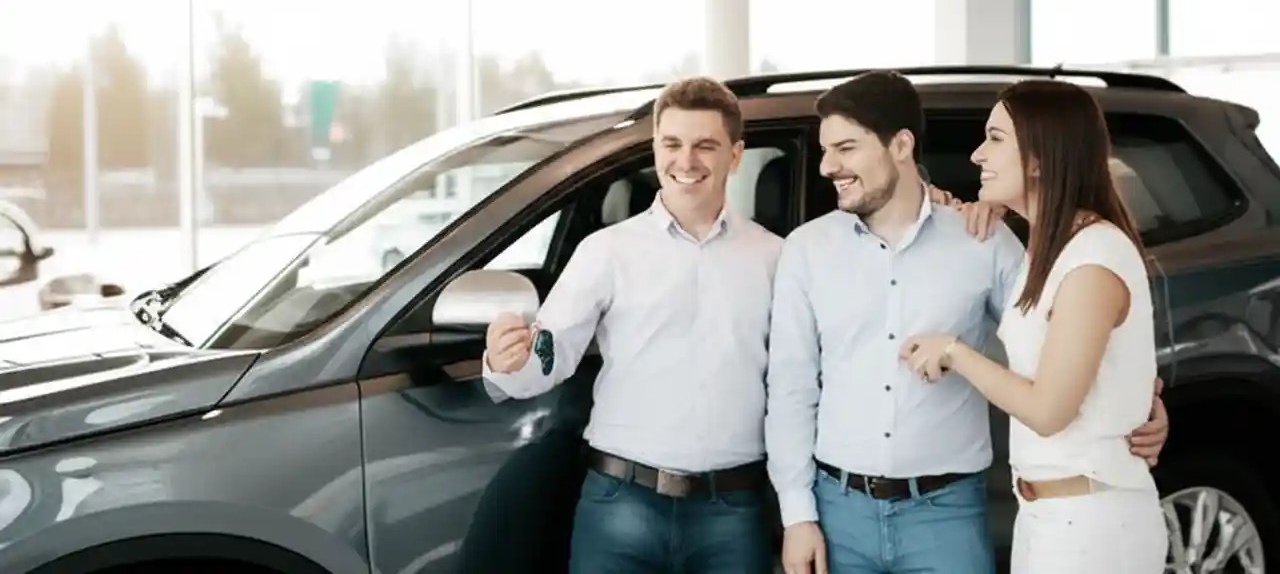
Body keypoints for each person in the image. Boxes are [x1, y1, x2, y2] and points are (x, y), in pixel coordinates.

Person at [764, 70, 1168, 574]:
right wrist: (798, 515)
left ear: (901, 145)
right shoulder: (808, 250)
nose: (828, 167)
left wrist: (1140, 404)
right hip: (843, 509)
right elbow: (790, 388)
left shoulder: (992, 243)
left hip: (954, 513)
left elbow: (1055, 363)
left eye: (845, 148)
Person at [481, 76, 782, 574]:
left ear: (735, 155)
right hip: (620, 504)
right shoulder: (606, 252)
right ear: (655, 148)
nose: (686, 162)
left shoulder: (775, 257)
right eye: (672, 144)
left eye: (705, 145)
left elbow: (795, 385)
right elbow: (547, 358)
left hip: (732, 510)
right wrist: (504, 358)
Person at [900, 79, 1168, 573]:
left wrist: (955, 353)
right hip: (1049, 517)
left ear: (1041, 158)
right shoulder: (1050, 250)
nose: (978, 154)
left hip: (1092, 526)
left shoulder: (1094, 258)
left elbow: (1048, 410)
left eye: (996, 138)